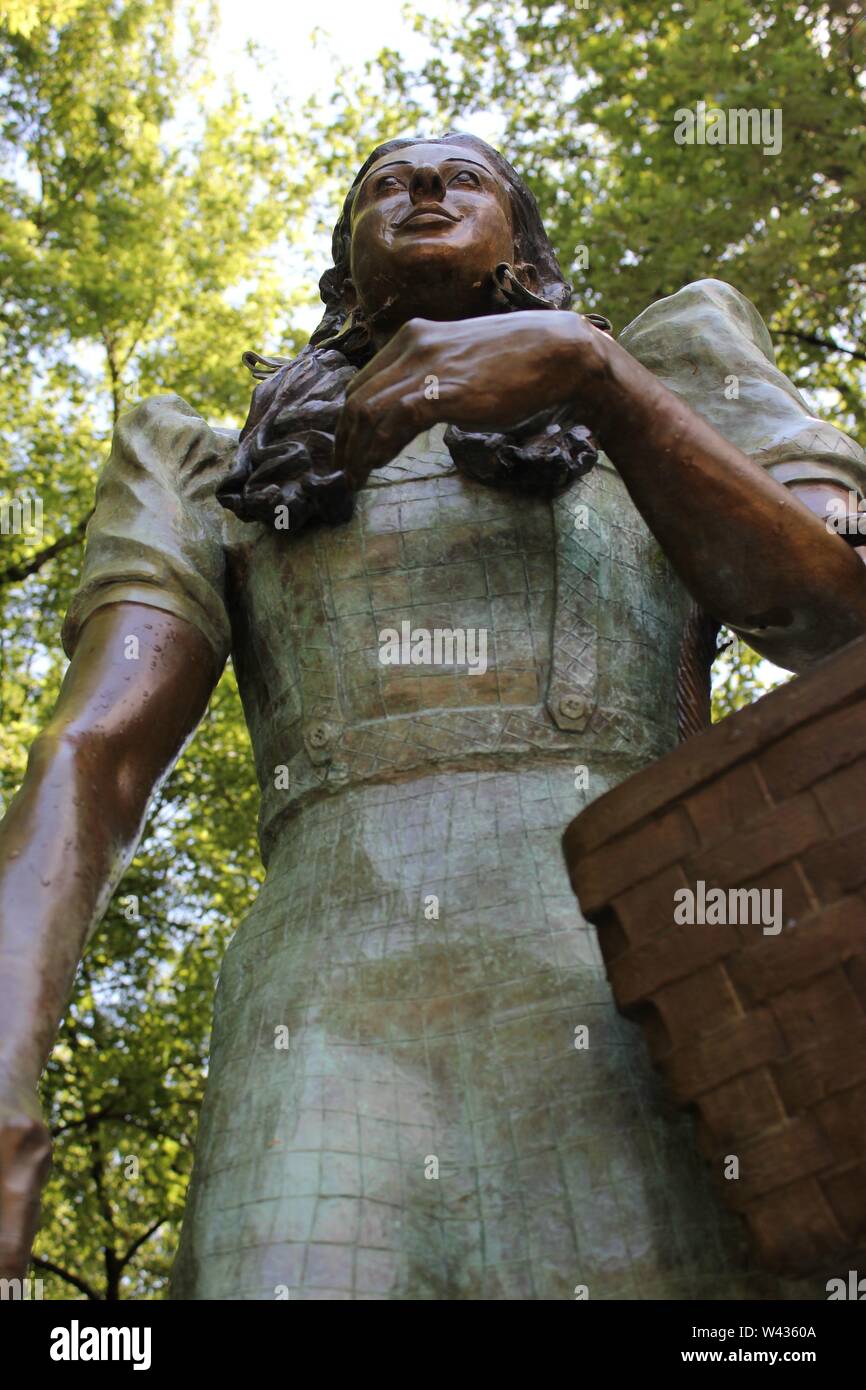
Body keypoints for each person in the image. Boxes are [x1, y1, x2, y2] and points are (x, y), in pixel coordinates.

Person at [2, 132, 866, 1301]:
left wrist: (597, 380)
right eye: (380, 183)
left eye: (463, 176)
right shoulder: (211, 471)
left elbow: (831, 617)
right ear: (342, 269)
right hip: (324, 1016)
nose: (418, 187)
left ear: (528, 246)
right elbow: (94, 755)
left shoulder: (666, 377)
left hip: (650, 995)